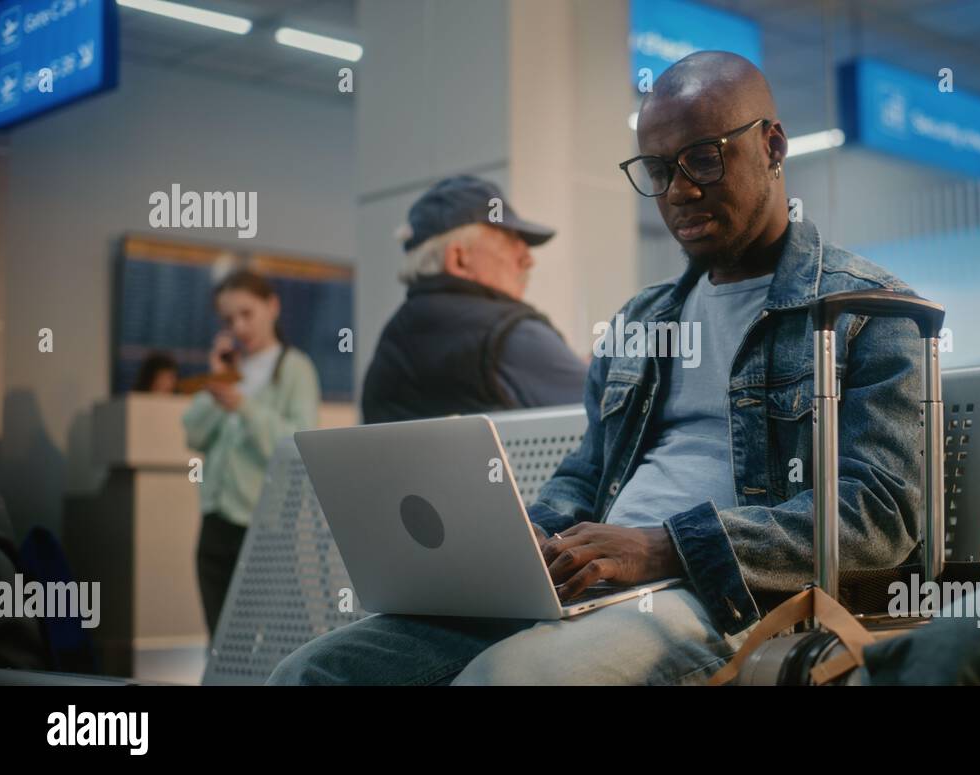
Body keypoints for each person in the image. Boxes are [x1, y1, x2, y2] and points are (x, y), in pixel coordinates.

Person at [268, 51, 923, 685]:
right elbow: (587, 472)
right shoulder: (641, 322)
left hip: (733, 597)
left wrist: (662, 547)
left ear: (773, 147)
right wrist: (534, 538)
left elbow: (878, 515)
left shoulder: (863, 312)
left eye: (703, 158)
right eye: (658, 169)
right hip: (600, 585)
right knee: (314, 671)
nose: (680, 191)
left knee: (509, 678)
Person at [360, 175, 587, 423]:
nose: (528, 260)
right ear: (458, 258)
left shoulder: (393, 340)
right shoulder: (510, 334)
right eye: (509, 241)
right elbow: (614, 412)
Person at [182, 269, 320, 635]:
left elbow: (298, 443)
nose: (239, 326)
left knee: (268, 638)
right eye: (229, 319)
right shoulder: (231, 369)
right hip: (216, 520)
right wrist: (219, 380)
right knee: (221, 636)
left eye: (247, 313)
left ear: (272, 306)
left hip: (264, 524)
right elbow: (193, 433)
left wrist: (243, 406)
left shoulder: (295, 368)